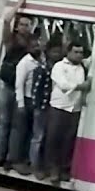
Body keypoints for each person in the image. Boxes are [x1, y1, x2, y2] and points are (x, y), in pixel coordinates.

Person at [42, 41, 90, 185]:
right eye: (76, 52)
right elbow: (63, 86)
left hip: (74, 110)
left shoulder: (82, 68)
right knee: (54, 139)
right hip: (58, 107)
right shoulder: (59, 67)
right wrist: (82, 86)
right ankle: (52, 169)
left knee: (68, 141)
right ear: (68, 52)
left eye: (81, 53)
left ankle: (64, 169)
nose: (79, 55)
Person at [0, 16, 34, 171]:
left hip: (21, 88)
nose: (23, 27)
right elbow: (6, 20)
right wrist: (18, 4)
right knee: (4, 122)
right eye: (21, 24)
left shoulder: (32, 43)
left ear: (31, 27)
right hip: (8, 85)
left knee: (17, 125)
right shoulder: (11, 39)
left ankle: (10, 158)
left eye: (26, 25)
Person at [7, 37, 43, 173]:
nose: (37, 48)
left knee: (29, 132)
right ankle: (15, 160)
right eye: (34, 46)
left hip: (35, 100)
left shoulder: (41, 61)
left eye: (38, 46)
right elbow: (19, 85)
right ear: (29, 48)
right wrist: (20, 104)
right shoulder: (25, 63)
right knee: (19, 131)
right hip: (25, 100)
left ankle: (24, 159)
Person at [29, 42, 63, 179]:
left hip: (53, 108)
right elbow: (36, 90)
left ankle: (43, 165)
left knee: (47, 138)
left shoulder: (58, 69)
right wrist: (36, 107)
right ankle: (34, 165)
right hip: (42, 107)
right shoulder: (42, 69)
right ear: (48, 52)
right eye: (54, 51)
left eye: (59, 52)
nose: (56, 54)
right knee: (38, 137)